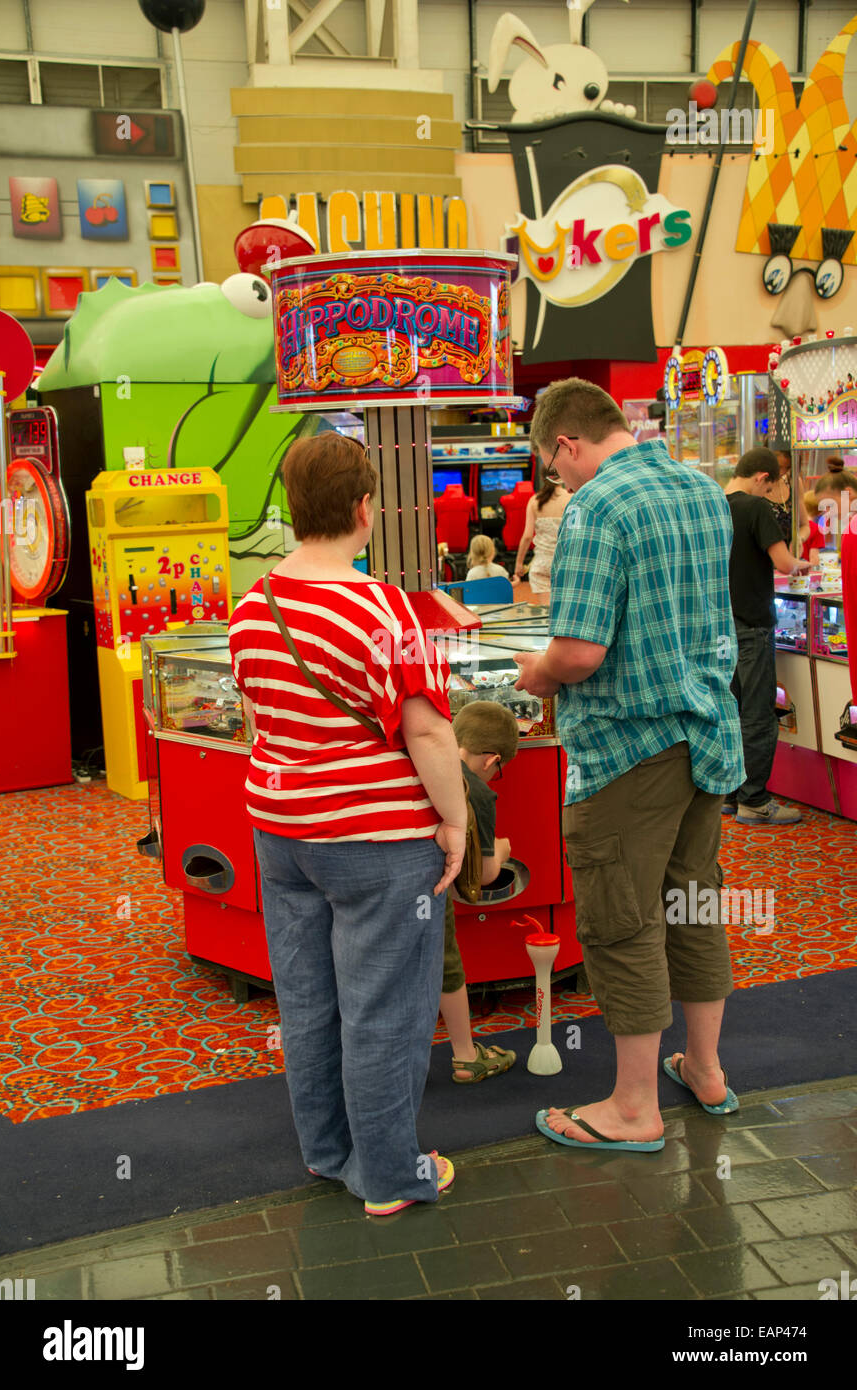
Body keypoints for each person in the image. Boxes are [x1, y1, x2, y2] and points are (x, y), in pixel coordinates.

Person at [228, 432, 467, 1217]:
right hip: (375, 840)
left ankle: (329, 1153)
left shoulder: (252, 608)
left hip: (280, 830)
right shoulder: (383, 607)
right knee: (385, 1010)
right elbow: (428, 730)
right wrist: (458, 818)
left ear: (293, 510)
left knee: (307, 1004)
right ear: (365, 508)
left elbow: (260, 716)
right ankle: (393, 1175)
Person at [514, 377, 745, 1153]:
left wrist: (532, 671)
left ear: (567, 443)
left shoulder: (596, 507)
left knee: (622, 921)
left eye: (553, 465)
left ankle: (635, 1107)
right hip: (707, 733)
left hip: (627, 748)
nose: (557, 478)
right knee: (694, 904)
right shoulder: (699, 485)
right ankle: (706, 1070)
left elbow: (579, 653)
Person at [724, 447, 811, 825]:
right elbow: (784, 563)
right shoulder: (755, 509)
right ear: (762, 477)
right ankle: (755, 802)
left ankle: (729, 794)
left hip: (721, 625)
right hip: (753, 623)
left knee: (730, 711)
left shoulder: (713, 503)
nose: (771, 495)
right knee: (758, 714)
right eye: (771, 487)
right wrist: (802, 565)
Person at [440, 701, 518, 1082]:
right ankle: (466, 1056)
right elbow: (486, 874)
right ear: (493, 759)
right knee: (446, 966)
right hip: (428, 887)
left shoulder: (425, 761)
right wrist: (503, 847)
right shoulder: (478, 792)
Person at [512, 477, 572, 603]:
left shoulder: (534, 500)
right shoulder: (571, 498)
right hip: (565, 562)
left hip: (542, 565)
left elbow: (527, 536)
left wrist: (519, 564)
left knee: (548, 614)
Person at [770, 449, 809, 549]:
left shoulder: (793, 482)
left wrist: (799, 539)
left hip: (789, 555)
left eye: (788, 468)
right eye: (778, 467)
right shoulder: (758, 485)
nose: (782, 472)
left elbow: (805, 526)